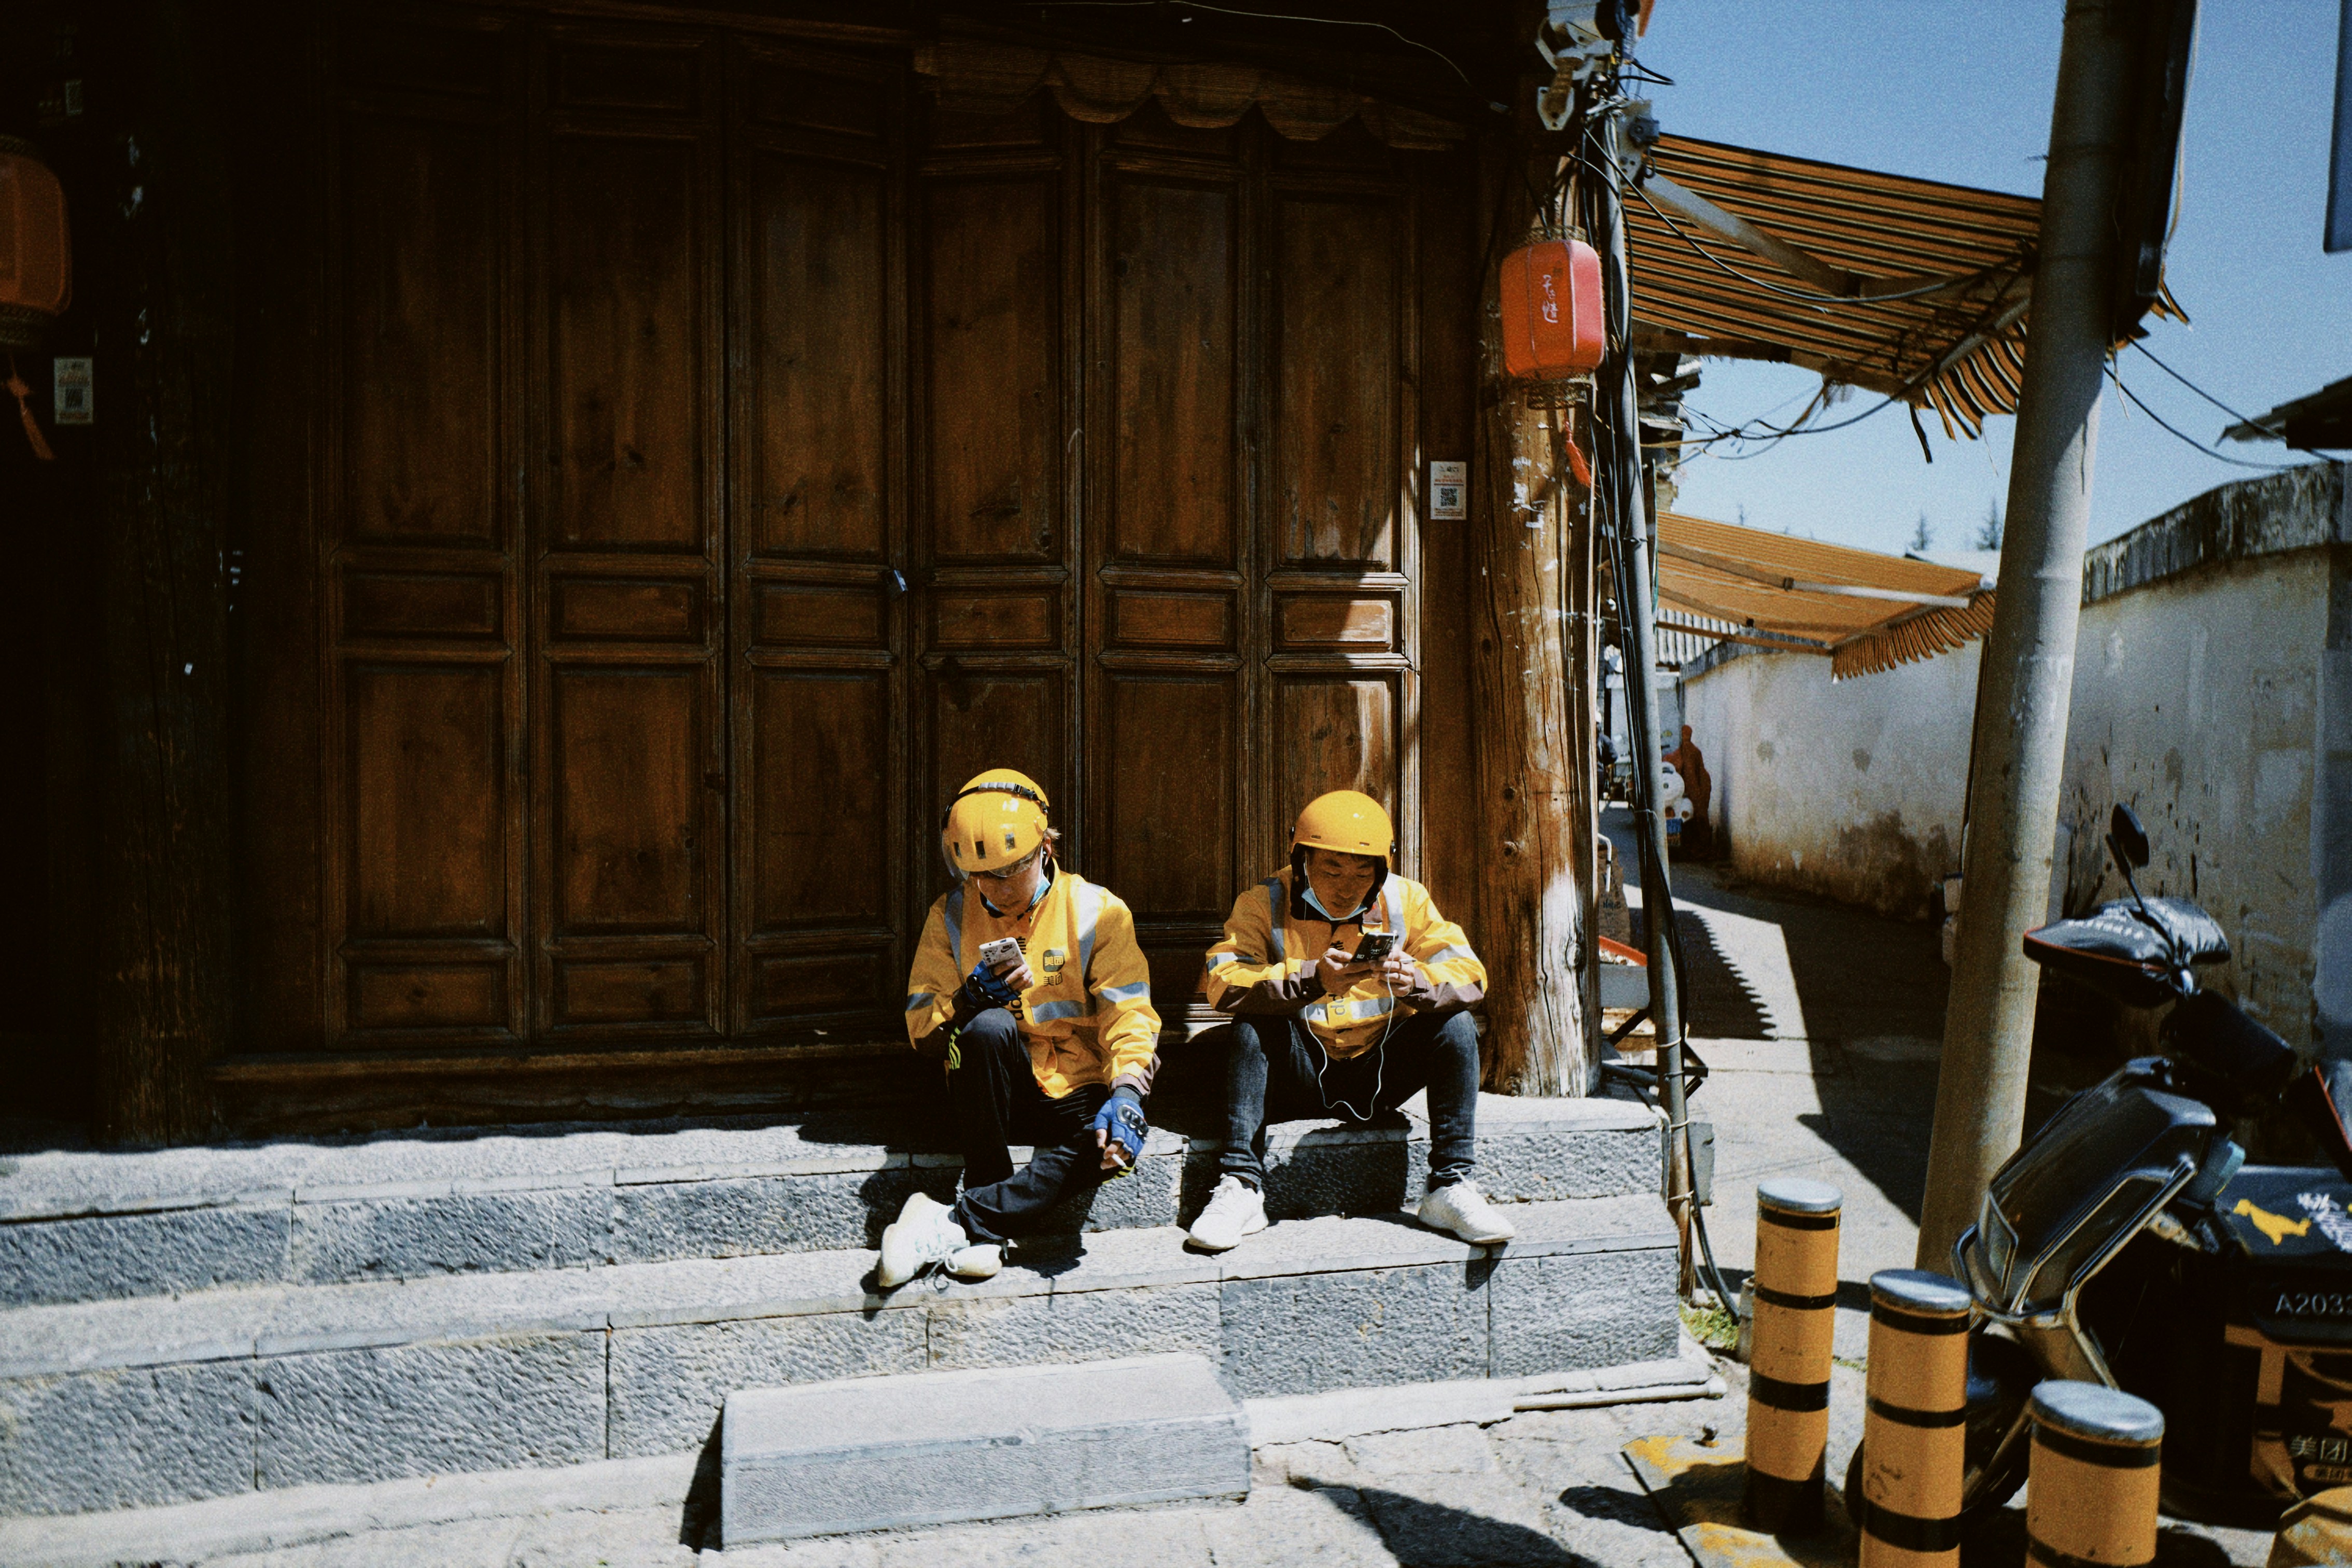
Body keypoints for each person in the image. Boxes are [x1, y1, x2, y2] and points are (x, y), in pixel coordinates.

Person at [1184, 790, 1514, 1252]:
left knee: (1454, 1023)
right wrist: (1311, 978)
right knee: (1251, 1025)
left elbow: (1471, 975)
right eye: (1331, 869)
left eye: (1363, 871)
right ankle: (1242, 1184)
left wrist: (1417, 981)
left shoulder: (1407, 899)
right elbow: (1223, 982)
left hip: (1378, 1072)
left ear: (1382, 868)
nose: (1347, 884)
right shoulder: (1262, 901)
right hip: (1298, 1074)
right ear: (1301, 861)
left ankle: (1450, 1184)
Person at [880, 769, 1162, 1287]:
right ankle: (988, 1202)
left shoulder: (1098, 911)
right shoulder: (951, 915)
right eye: (982, 875)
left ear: (1047, 849)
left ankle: (970, 1219)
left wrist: (1127, 1092)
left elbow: (1132, 1015)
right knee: (986, 1028)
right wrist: (966, 1003)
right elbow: (923, 1031)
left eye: (1013, 870)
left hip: (1078, 1088)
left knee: (1119, 1142)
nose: (998, 889)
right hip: (996, 1094)